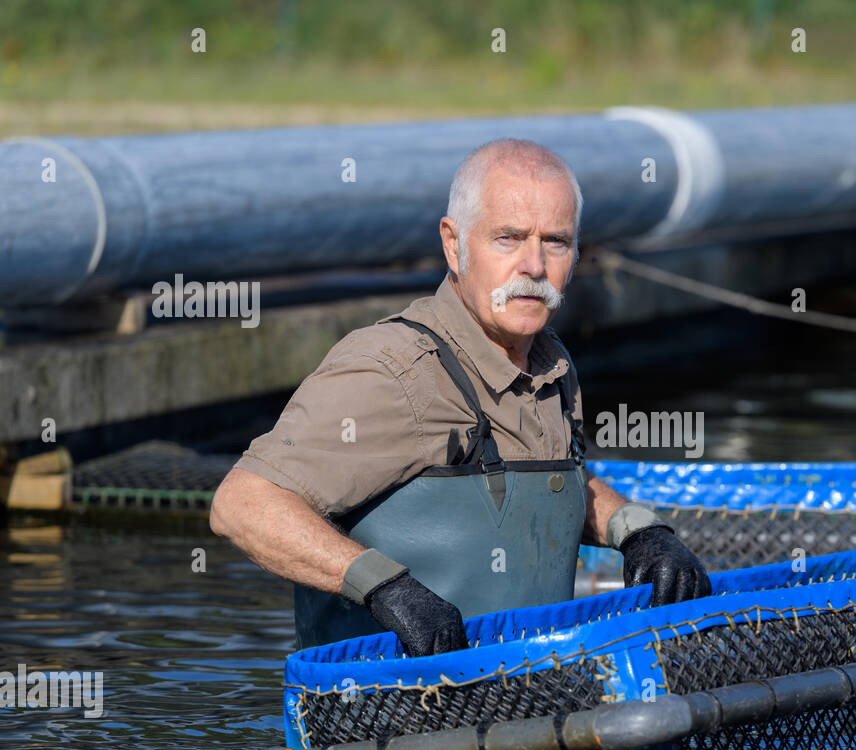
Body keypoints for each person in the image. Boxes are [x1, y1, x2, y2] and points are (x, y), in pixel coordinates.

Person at [209, 138, 711, 656]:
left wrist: (639, 531)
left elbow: (551, 484)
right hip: (387, 711)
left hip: (531, 696)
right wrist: (386, 587)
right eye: (508, 238)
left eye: (555, 242)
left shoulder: (550, 361)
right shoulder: (392, 369)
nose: (534, 266)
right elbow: (244, 504)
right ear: (455, 244)